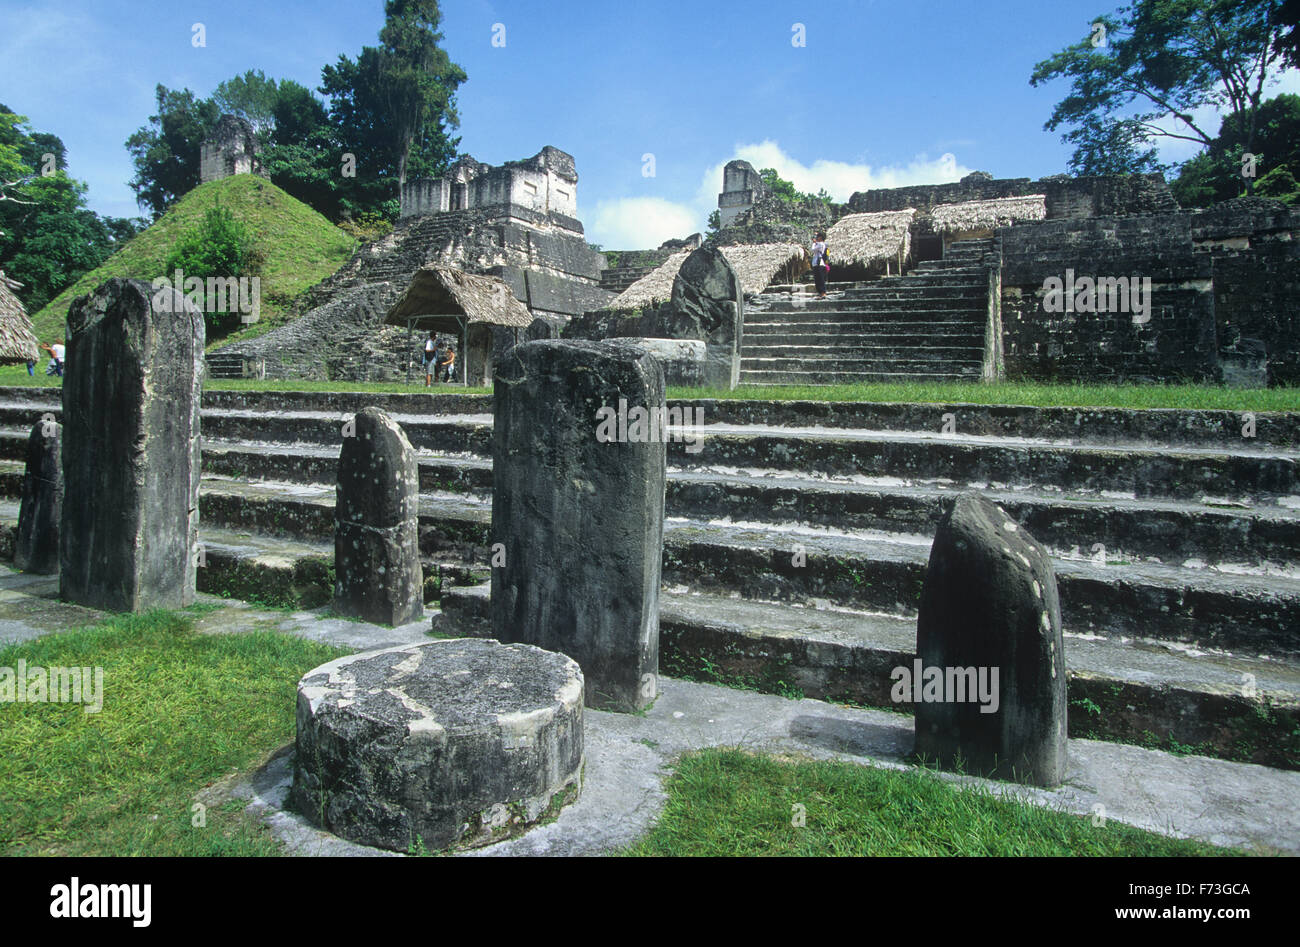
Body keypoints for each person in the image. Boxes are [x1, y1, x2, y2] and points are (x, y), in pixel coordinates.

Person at [810, 232, 829, 299]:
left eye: (818, 236)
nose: (816, 238)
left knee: (820, 279)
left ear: (820, 237)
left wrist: (814, 243)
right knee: (817, 279)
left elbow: (812, 250)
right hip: (816, 263)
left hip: (819, 264)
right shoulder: (819, 244)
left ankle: (823, 292)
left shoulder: (820, 244)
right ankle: (820, 293)